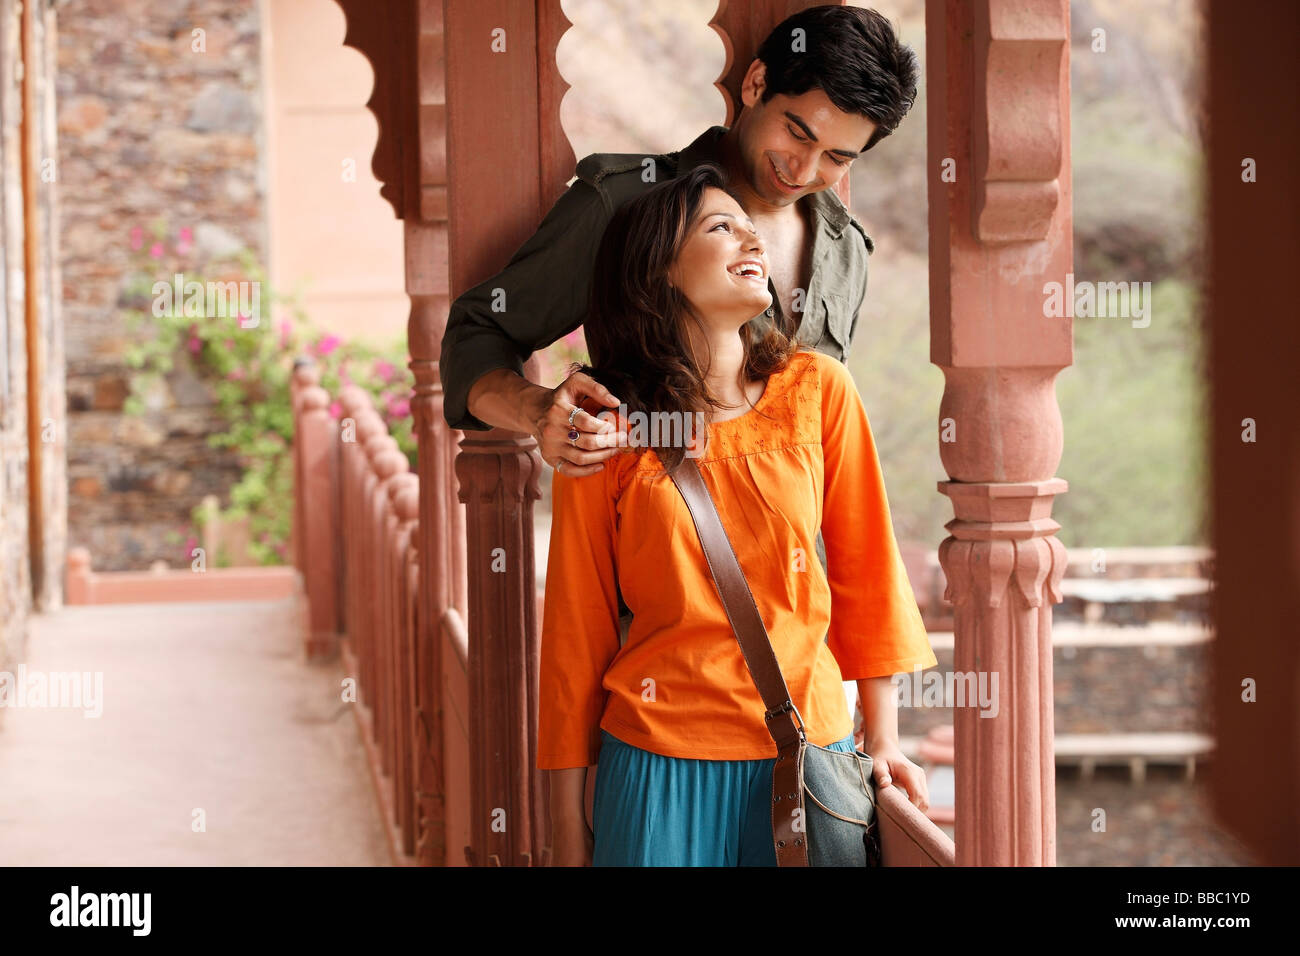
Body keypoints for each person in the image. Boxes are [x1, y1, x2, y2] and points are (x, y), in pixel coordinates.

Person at [538, 164, 937, 867]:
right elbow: (577, 625)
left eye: (752, 228)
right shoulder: (606, 422)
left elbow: (868, 569)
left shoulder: (817, 390)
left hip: (806, 757)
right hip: (656, 766)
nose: (751, 238)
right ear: (655, 269)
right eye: (720, 227)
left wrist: (886, 739)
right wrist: (567, 824)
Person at [439, 5, 919, 477]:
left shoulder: (847, 249)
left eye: (837, 157)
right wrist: (539, 409)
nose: (804, 170)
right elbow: (479, 331)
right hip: (655, 531)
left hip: (799, 548)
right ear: (756, 83)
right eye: (796, 133)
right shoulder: (626, 202)